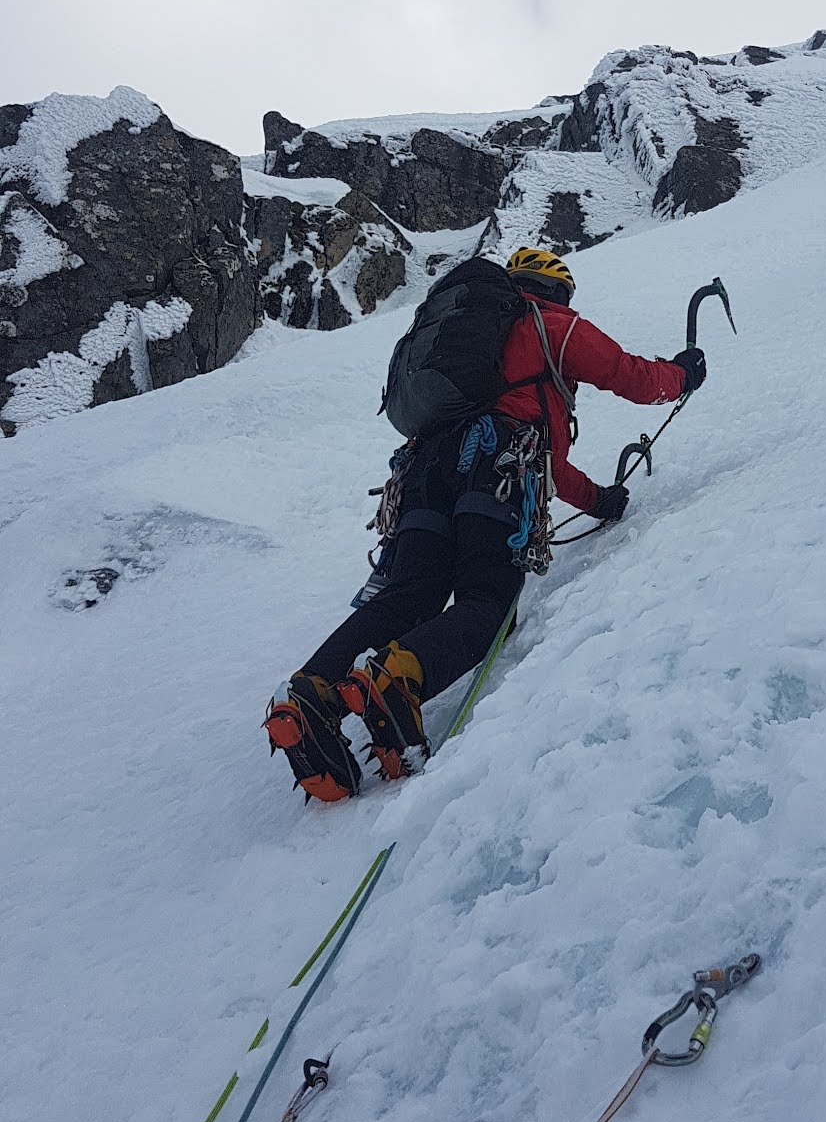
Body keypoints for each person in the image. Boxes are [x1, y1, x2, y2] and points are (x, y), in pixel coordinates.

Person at [264, 246, 707, 800]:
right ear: (555, 291)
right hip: (496, 471)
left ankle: (309, 691)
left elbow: (553, 467)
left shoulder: (461, 345)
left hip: (424, 473)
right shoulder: (550, 325)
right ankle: (396, 679)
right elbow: (629, 378)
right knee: (486, 606)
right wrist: (682, 375)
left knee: (409, 596)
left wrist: (599, 501)